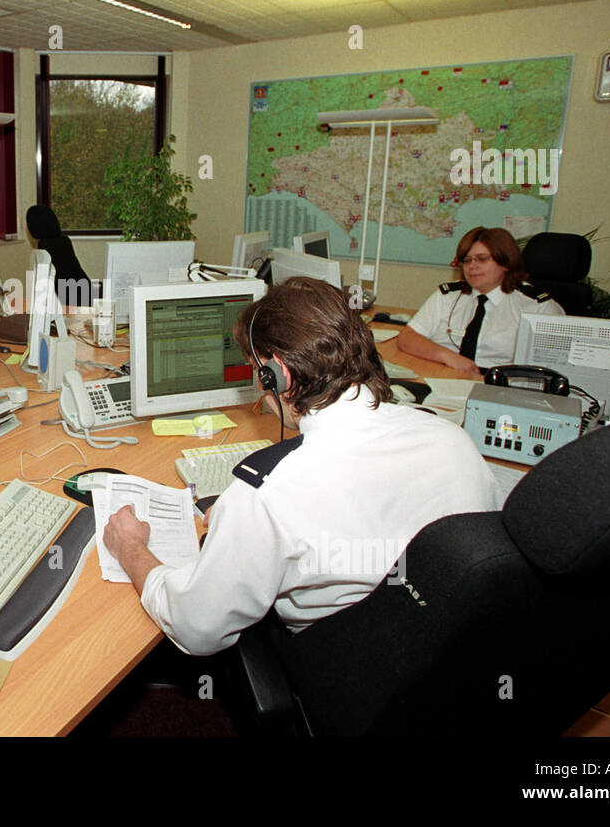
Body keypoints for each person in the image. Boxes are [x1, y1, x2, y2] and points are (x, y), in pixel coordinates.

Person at [101, 277, 500, 657]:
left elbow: (196, 627)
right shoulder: (453, 441)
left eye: (258, 373)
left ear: (280, 375)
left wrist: (132, 548)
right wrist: (239, 523)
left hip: (344, 672)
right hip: (451, 660)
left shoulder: (269, 491)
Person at [398, 226, 564, 374]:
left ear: (505, 261)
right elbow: (407, 338)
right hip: (444, 376)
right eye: (467, 260)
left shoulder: (538, 307)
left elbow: (552, 370)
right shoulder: (448, 296)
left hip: (498, 387)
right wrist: (447, 356)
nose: (472, 266)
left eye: (482, 259)